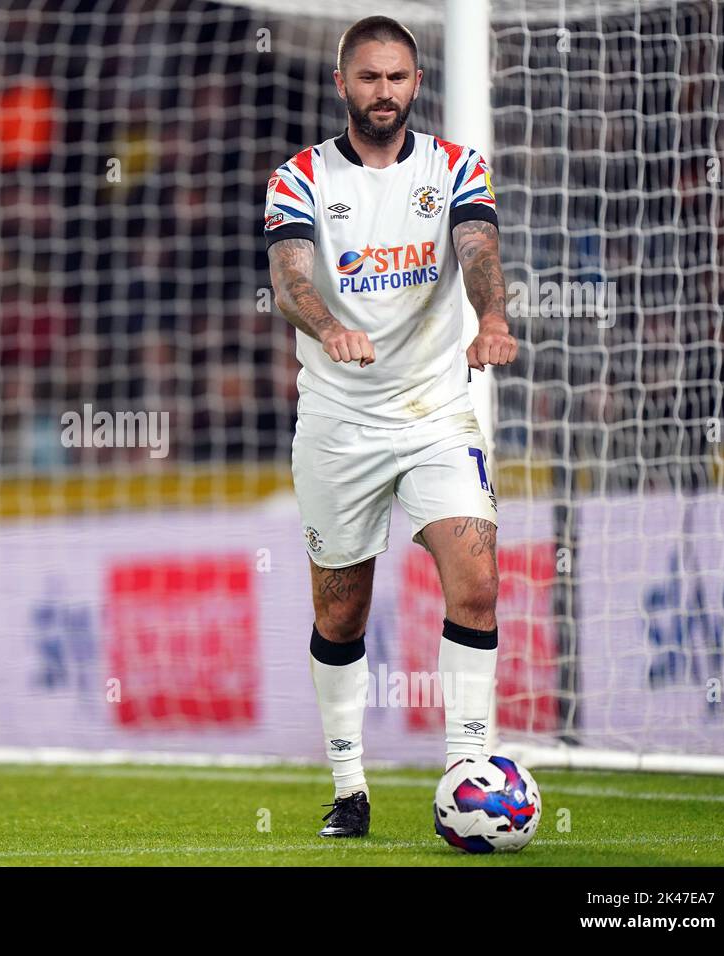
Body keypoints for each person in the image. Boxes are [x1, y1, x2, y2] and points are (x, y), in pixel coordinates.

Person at [264, 16, 517, 838]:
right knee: (341, 614)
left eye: (398, 77)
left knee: (476, 581)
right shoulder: (299, 177)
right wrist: (324, 325)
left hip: (435, 411)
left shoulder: (453, 168)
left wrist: (492, 318)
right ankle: (349, 788)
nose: (384, 92)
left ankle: (470, 768)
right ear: (343, 84)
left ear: (416, 83)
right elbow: (290, 278)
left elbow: (477, 248)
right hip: (339, 421)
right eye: (369, 78)